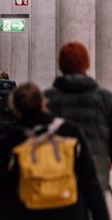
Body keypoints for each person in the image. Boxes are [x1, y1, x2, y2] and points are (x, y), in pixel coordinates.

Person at [0, 82, 109, 220]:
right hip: (70, 212)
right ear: (43, 102)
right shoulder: (69, 131)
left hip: (26, 212)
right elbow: (90, 180)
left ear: (15, 107)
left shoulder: (11, 141)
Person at [45, 41, 112, 214]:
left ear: (61, 65)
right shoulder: (105, 99)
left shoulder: (48, 99)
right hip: (96, 179)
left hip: (56, 179)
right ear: (87, 64)